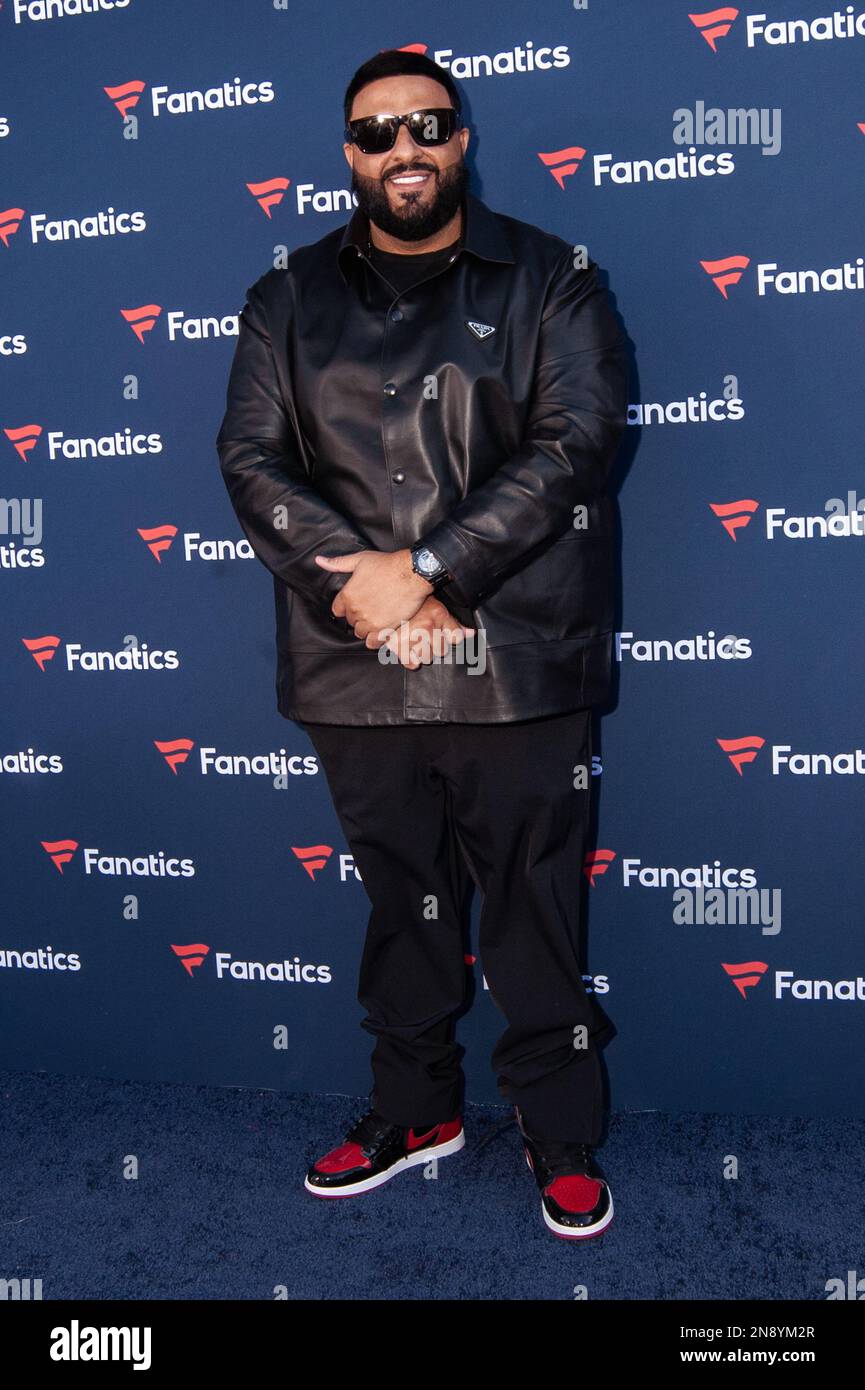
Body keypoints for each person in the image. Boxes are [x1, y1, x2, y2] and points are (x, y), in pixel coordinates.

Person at [216, 48, 629, 1240]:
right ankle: (416, 1110)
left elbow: (575, 440)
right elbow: (253, 460)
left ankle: (558, 1132)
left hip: (512, 650)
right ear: (349, 154)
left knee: (533, 901)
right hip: (351, 650)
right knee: (405, 898)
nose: (404, 148)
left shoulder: (555, 279)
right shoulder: (286, 294)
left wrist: (431, 571)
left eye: (427, 124)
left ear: (461, 139)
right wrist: (372, 592)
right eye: (377, 131)